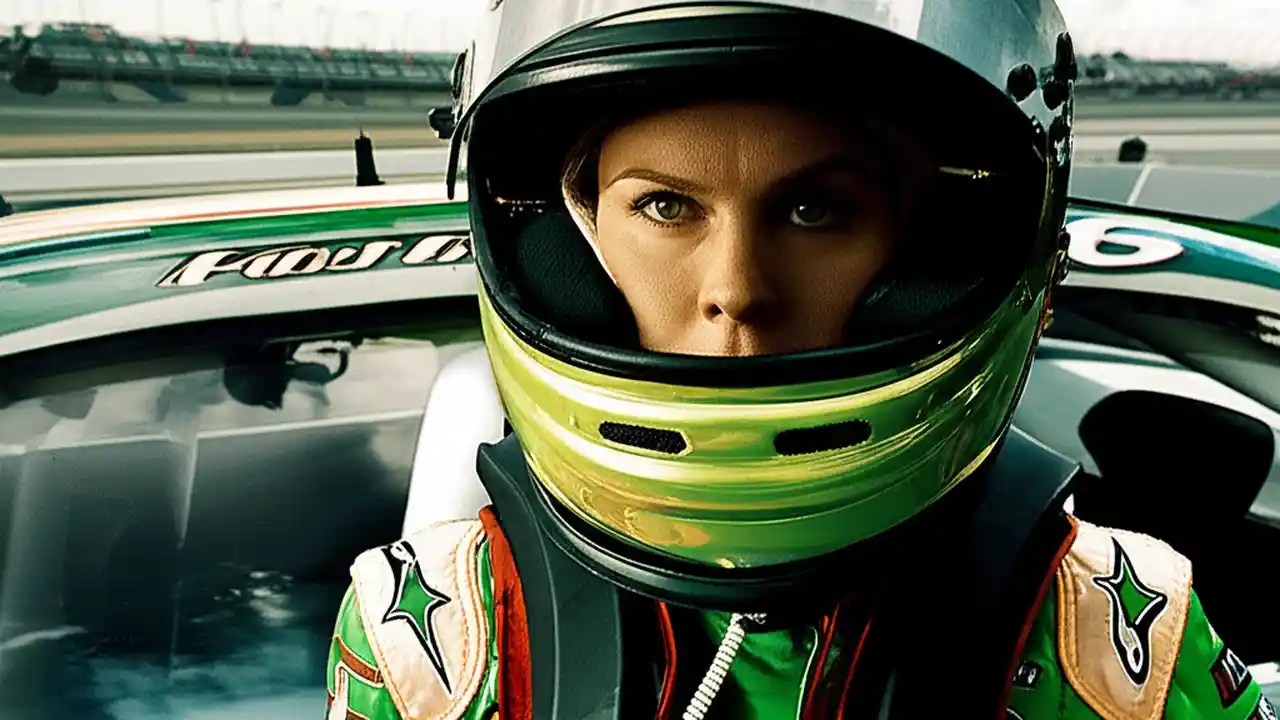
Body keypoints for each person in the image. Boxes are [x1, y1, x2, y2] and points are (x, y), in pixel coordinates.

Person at [325, 2, 1272, 718]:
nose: (734, 288)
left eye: (815, 210)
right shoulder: (431, 638)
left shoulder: (1118, 641)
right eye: (664, 207)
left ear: (928, 256)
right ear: (578, 247)